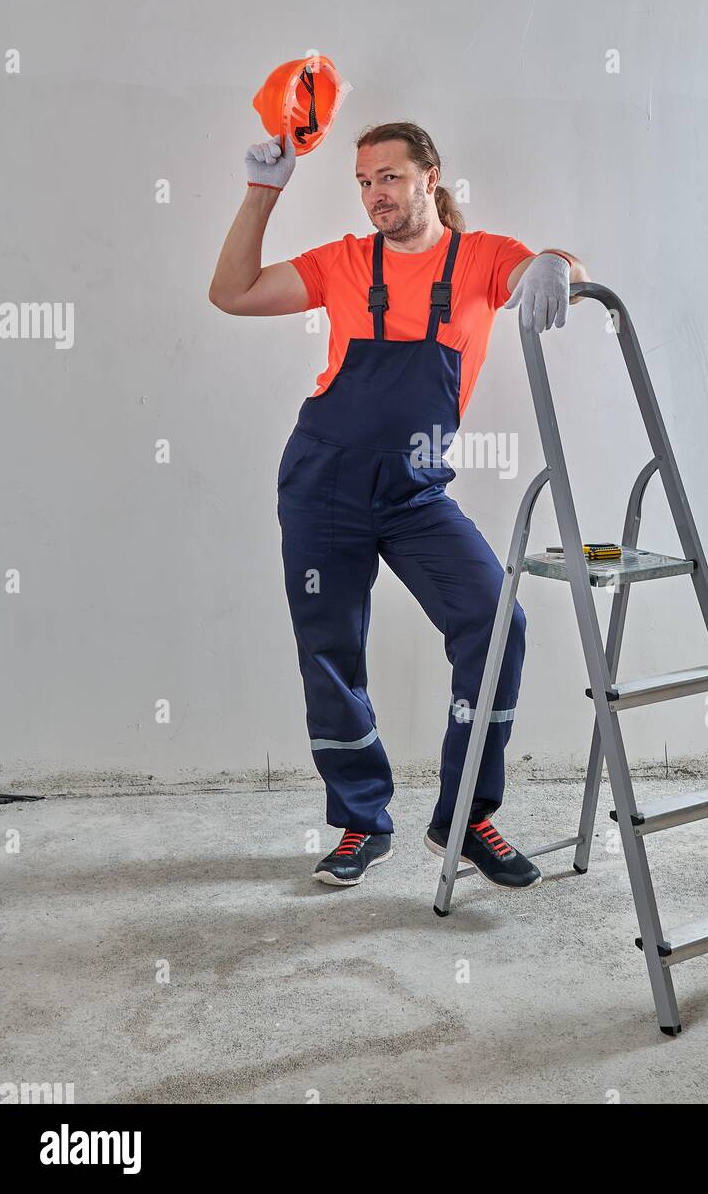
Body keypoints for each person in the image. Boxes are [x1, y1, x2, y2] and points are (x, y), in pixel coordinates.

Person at [209, 121, 589, 889]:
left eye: (388, 176)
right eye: (362, 181)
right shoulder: (343, 262)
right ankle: (359, 822)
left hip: (417, 492)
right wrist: (261, 192)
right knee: (331, 650)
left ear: (429, 177)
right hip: (323, 482)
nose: (374, 194)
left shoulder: (479, 257)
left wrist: (557, 263)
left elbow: (549, 271)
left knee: (494, 618)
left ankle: (466, 816)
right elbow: (232, 293)